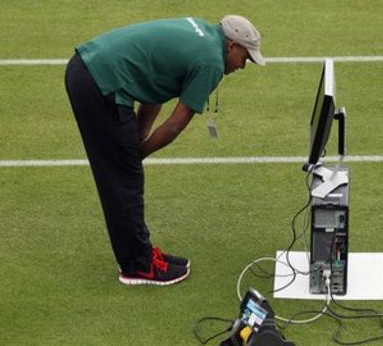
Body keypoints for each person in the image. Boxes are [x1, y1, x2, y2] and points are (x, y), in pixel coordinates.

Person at [64, 15, 264, 285]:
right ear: (231, 46)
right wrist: (137, 155)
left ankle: (141, 254)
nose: (243, 65)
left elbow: (154, 90)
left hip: (87, 68)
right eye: (245, 57)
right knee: (123, 179)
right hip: (100, 83)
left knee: (125, 172)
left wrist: (137, 139)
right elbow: (173, 126)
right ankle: (139, 266)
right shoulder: (211, 62)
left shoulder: (201, 32)